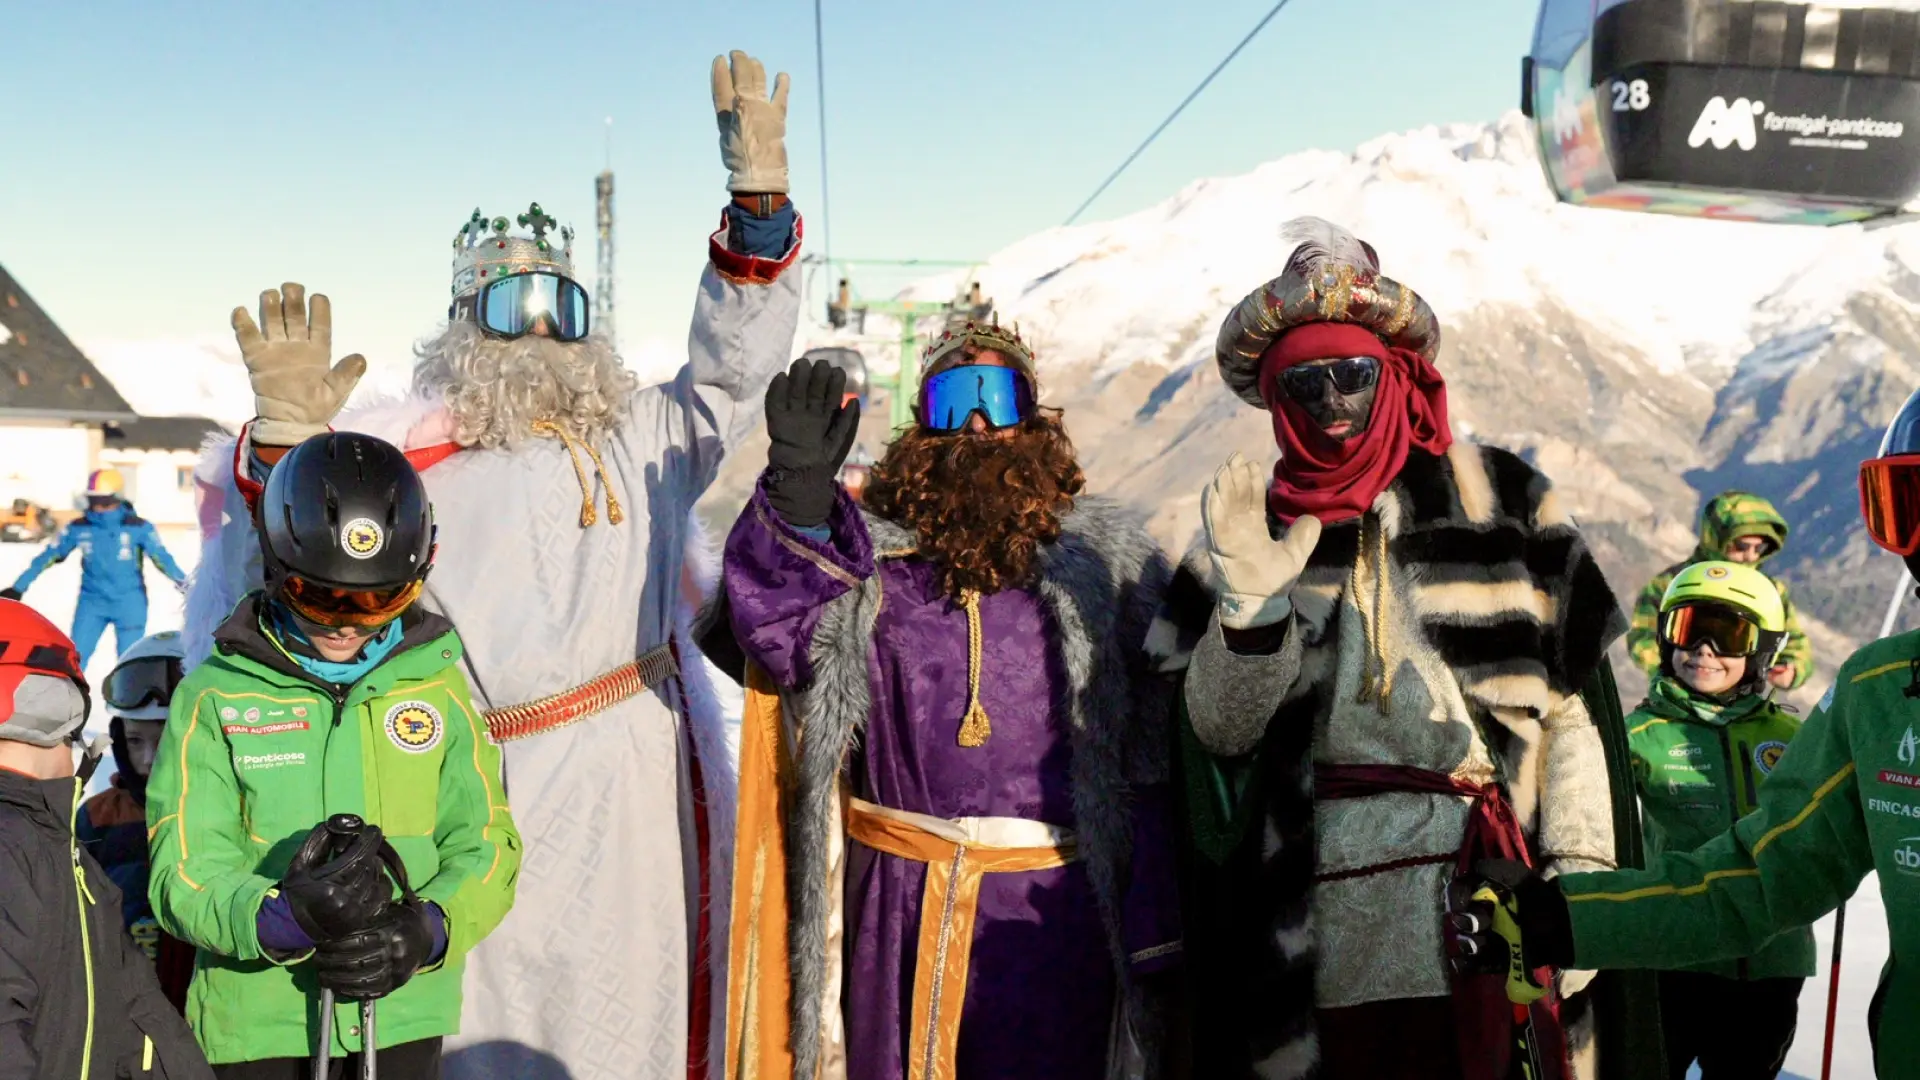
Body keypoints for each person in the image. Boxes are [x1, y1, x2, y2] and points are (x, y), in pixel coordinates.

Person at [181, 51, 802, 1080]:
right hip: (478, 777)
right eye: (515, 308)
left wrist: (760, 211)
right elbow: (308, 541)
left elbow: (734, 371)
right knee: (481, 1010)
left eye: (563, 305)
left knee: (632, 1018)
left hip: (633, 776)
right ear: (467, 324)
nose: (545, 332)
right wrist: (287, 438)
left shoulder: (646, 434)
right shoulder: (413, 466)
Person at [1159, 218, 1632, 1080]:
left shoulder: (1505, 505)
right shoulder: (1241, 535)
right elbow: (1216, 743)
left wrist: (1583, 882)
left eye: (1351, 373)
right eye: (1303, 385)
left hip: (1495, 904)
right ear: (1274, 400)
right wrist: (1250, 610)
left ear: (1396, 377)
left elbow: (1569, 719)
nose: (1332, 402)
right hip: (1313, 938)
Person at [706, 326, 1183, 1080]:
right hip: (894, 910)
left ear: (1033, 418)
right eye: (953, 399)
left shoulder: (1110, 566)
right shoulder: (866, 563)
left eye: (999, 397)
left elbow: (1158, 753)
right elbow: (768, 638)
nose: (978, 424)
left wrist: (1157, 917)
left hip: (1054, 916)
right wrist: (796, 505)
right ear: (922, 422)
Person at [1456, 385, 1920, 1080]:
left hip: (1766, 980)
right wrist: (1561, 918)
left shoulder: (1788, 723)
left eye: (1727, 638)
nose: (1705, 652)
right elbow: (1761, 875)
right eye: (1911, 509)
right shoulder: (1880, 694)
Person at [149, 431, 520, 1077]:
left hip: (400, 1014)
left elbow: (487, 842)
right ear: (275, 568)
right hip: (262, 1025)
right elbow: (181, 869)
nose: (348, 624)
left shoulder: (437, 689)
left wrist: (426, 929)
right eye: (322, 598)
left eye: (383, 599)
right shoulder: (215, 697)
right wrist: (279, 921)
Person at [0, 598, 213, 1079]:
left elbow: (139, 1010)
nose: (146, 759)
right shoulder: (37, 837)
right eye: (134, 741)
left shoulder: (56, 844)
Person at [1625, 560, 1813, 1078]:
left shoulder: (1794, 739)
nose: (1705, 649)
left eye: (1728, 634)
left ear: (1761, 650)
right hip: (1672, 958)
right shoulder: (1638, 736)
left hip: (1771, 962)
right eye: (1689, 629)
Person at [78, 629, 198, 1008]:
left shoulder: (230, 811)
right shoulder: (98, 818)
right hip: (126, 1007)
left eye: (164, 741)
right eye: (134, 741)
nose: (147, 761)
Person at [1627, 490, 1813, 691]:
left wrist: (1791, 671)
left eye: (1759, 548)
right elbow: (1642, 638)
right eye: (1740, 546)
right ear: (1715, 539)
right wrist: (1680, 673)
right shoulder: (1672, 585)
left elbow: (1794, 643)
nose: (1750, 556)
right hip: (1677, 702)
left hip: (1745, 709)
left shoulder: (1769, 592)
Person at [3, 467, 188, 667]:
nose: (98, 507)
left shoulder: (138, 527)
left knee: (129, 665)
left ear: (117, 497)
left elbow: (162, 559)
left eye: (104, 501)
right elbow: (47, 557)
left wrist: (186, 586)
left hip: (130, 604)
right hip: (91, 604)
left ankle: (119, 699)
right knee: (73, 660)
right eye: (93, 500)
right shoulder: (78, 527)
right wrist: (18, 587)